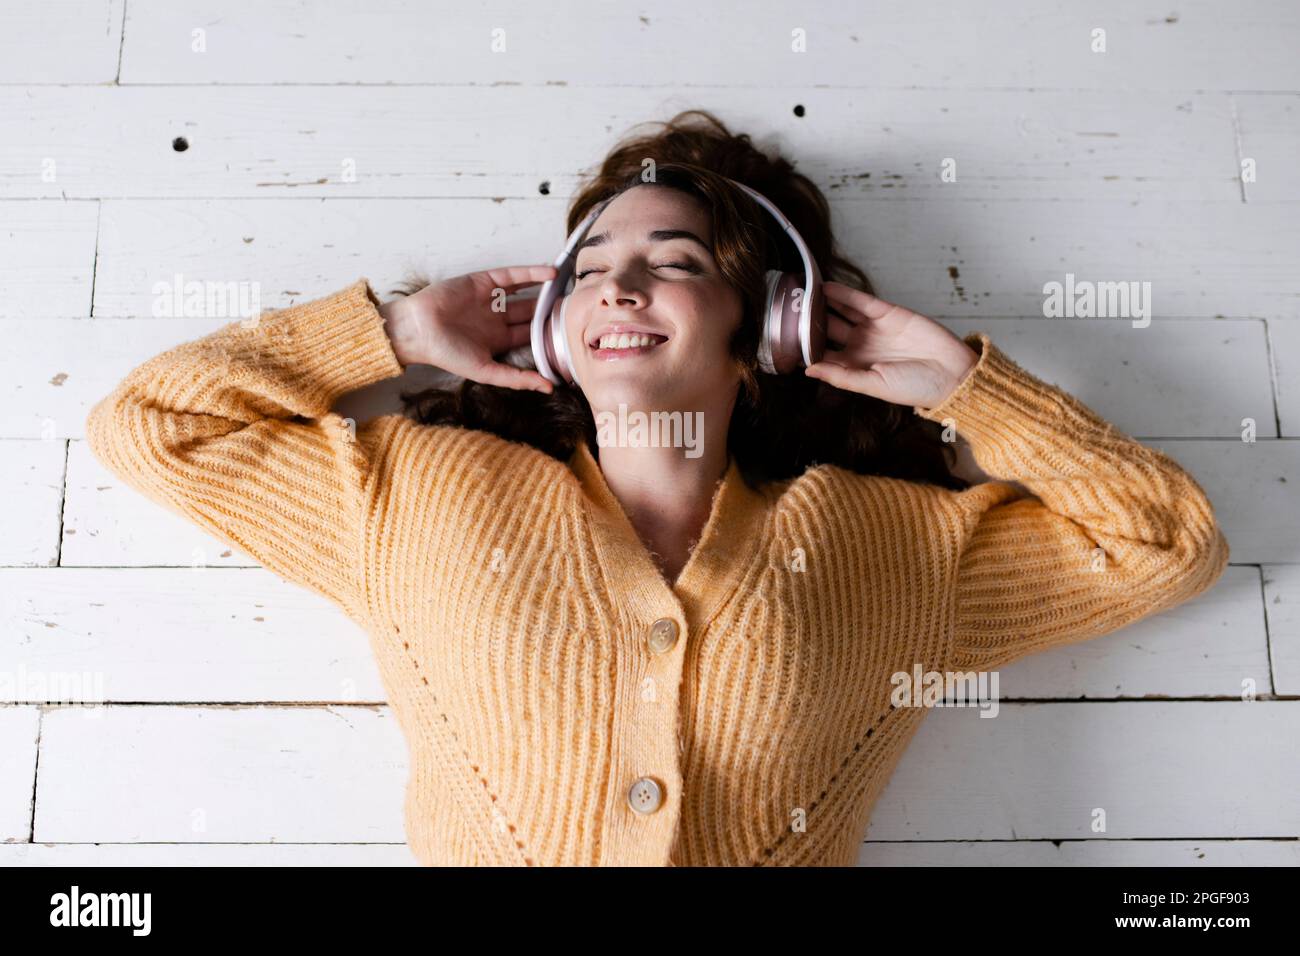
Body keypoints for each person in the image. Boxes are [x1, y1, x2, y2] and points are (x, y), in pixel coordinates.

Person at [85, 110, 1229, 866]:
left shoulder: (891, 545)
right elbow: (152, 425)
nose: (620, 285)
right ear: (549, 325)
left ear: (769, 324)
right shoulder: (414, 489)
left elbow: (1165, 542)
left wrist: (966, 386)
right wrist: (389, 331)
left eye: (675, 262)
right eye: (590, 269)